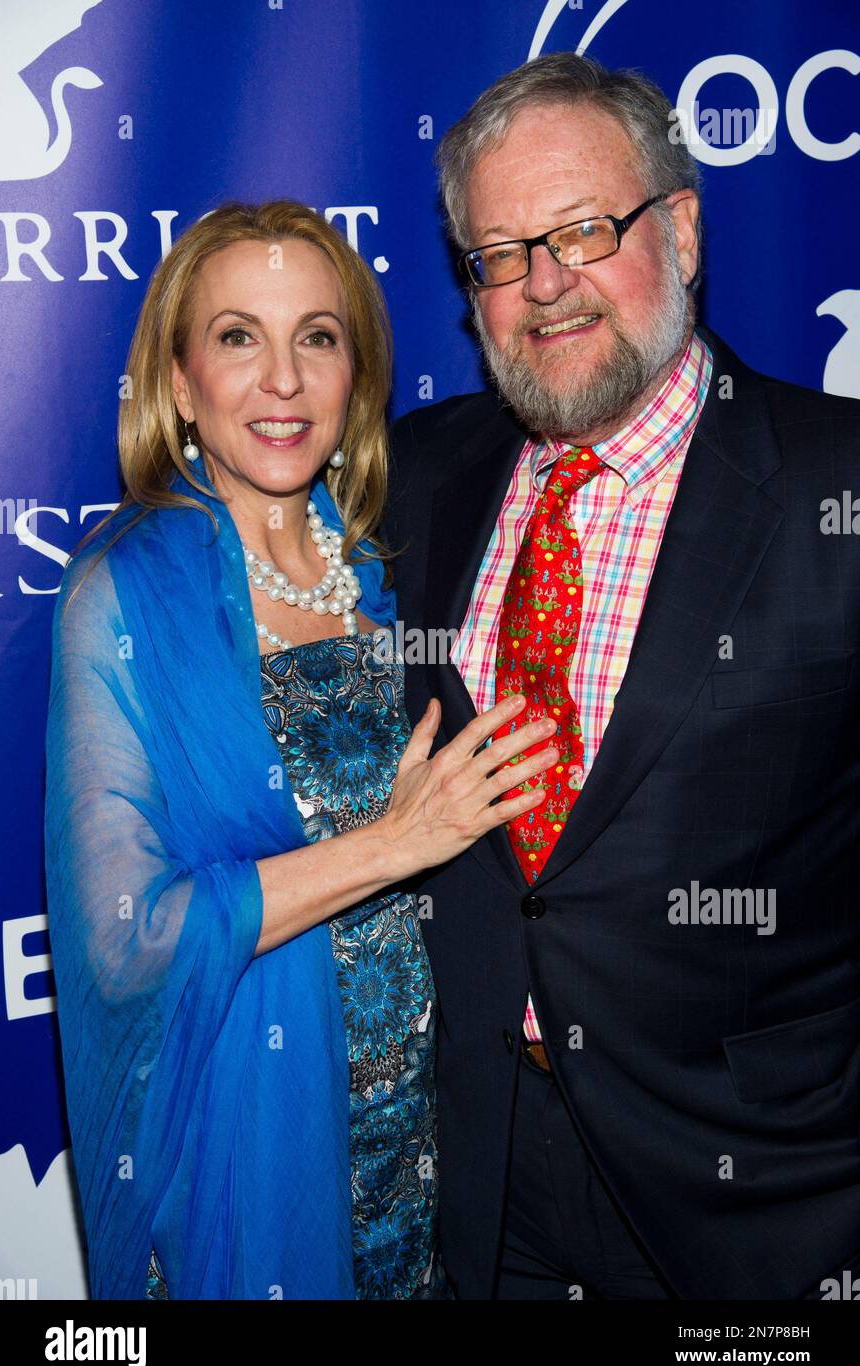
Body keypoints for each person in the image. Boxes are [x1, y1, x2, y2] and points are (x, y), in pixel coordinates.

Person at [387, 52, 860, 1301]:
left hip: (766, 1199)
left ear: (685, 231)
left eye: (585, 230)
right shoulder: (414, 474)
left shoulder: (836, 485)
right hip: (484, 1186)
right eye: (499, 253)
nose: (544, 285)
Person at [43, 199, 553, 1300]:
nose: (282, 380)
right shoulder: (128, 594)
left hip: (442, 1143)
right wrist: (392, 844)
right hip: (257, 1141)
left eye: (316, 337)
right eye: (238, 337)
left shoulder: (397, 561)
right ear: (178, 381)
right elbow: (129, 943)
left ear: (357, 374)